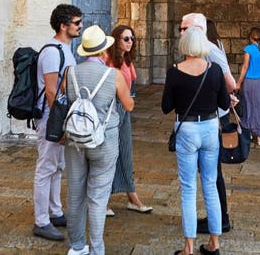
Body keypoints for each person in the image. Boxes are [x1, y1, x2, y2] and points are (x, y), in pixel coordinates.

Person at [64, 24, 134, 255]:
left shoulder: (71, 72)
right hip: (104, 140)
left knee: (75, 193)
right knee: (97, 196)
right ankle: (96, 249)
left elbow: (65, 97)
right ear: (103, 52)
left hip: (75, 139)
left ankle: (76, 246)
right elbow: (128, 105)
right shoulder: (112, 75)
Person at [162, 26, 231, 255]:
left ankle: (189, 247)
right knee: (210, 185)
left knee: (189, 187)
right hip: (210, 128)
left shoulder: (174, 71)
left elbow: (166, 107)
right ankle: (214, 243)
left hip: (187, 128)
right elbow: (223, 104)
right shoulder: (215, 70)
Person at [180, 13, 237, 235]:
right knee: (209, 171)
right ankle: (218, 218)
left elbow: (230, 83)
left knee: (213, 173)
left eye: (185, 29)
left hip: (214, 118)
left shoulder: (210, 50)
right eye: (181, 29)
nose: (182, 33)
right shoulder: (201, 50)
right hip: (207, 117)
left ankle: (221, 219)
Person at [33, 2, 83, 241]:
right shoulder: (53, 51)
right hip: (51, 119)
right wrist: (59, 124)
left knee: (57, 167)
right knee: (45, 169)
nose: (80, 27)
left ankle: (55, 211)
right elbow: (51, 91)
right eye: (76, 23)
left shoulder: (65, 49)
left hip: (59, 118)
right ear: (63, 26)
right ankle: (41, 221)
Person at [105, 24, 152, 214]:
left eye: (132, 38)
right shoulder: (108, 61)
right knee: (109, 154)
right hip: (112, 108)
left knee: (125, 152)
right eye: (126, 39)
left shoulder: (127, 60)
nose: (130, 42)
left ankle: (132, 196)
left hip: (124, 109)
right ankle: (104, 198)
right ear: (116, 40)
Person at [236, 26, 260, 146]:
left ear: (250, 38)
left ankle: (250, 131)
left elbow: (245, 67)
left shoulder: (248, 49)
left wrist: (238, 82)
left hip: (250, 82)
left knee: (249, 105)